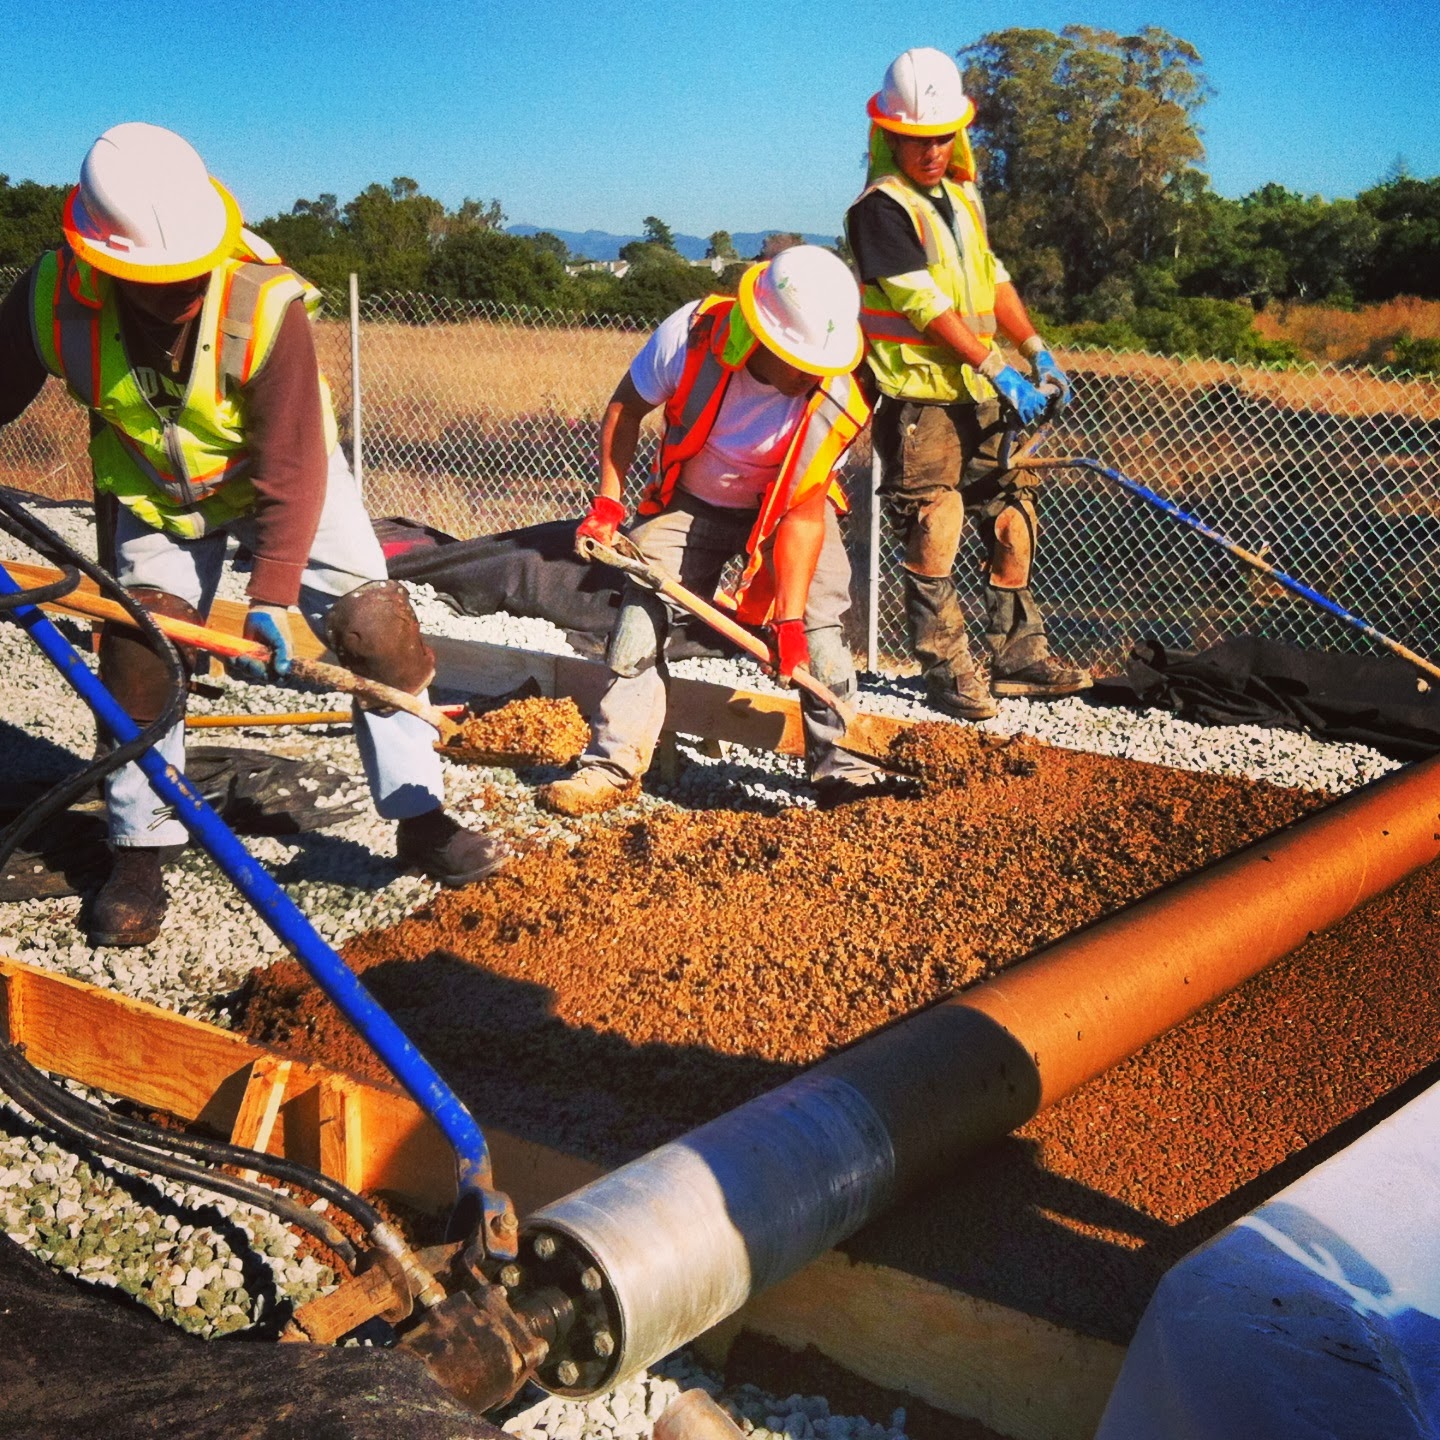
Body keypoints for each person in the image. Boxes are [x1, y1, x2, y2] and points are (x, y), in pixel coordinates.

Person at [0, 123, 506, 947]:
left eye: (189, 272)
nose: (182, 291)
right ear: (101, 261)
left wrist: (270, 592)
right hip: (157, 489)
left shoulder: (263, 302)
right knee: (137, 648)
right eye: (155, 279)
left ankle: (421, 817)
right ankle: (139, 850)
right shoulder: (51, 296)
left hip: (287, 472)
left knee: (375, 627)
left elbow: (291, 465)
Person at [538, 245, 887, 816]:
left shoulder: (842, 392)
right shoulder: (694, 333)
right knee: (640, 619)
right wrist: (608, 498)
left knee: (821, 626)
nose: (810, 376)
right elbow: (627, 408)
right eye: (797, 361)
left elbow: (801, 513)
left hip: (785, 506)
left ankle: (846, 772)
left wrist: (790, 620)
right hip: (694, 499)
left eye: (818, 364)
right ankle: (612, 765)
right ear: (761, 335)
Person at [845, 47, 1092, 721]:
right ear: (890, 134)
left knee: (1012, 520)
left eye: (940, 137)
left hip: (982, 396)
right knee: (936, 523)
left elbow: (993, 280)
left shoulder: (960, 198)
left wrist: (1036, 351)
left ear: (958, 131)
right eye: (916, 139)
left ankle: (1018, 658)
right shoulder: (879, 209)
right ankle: (947, 667)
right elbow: (924, 305)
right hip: (921, 400)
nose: (930, 150)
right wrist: (996, 367)